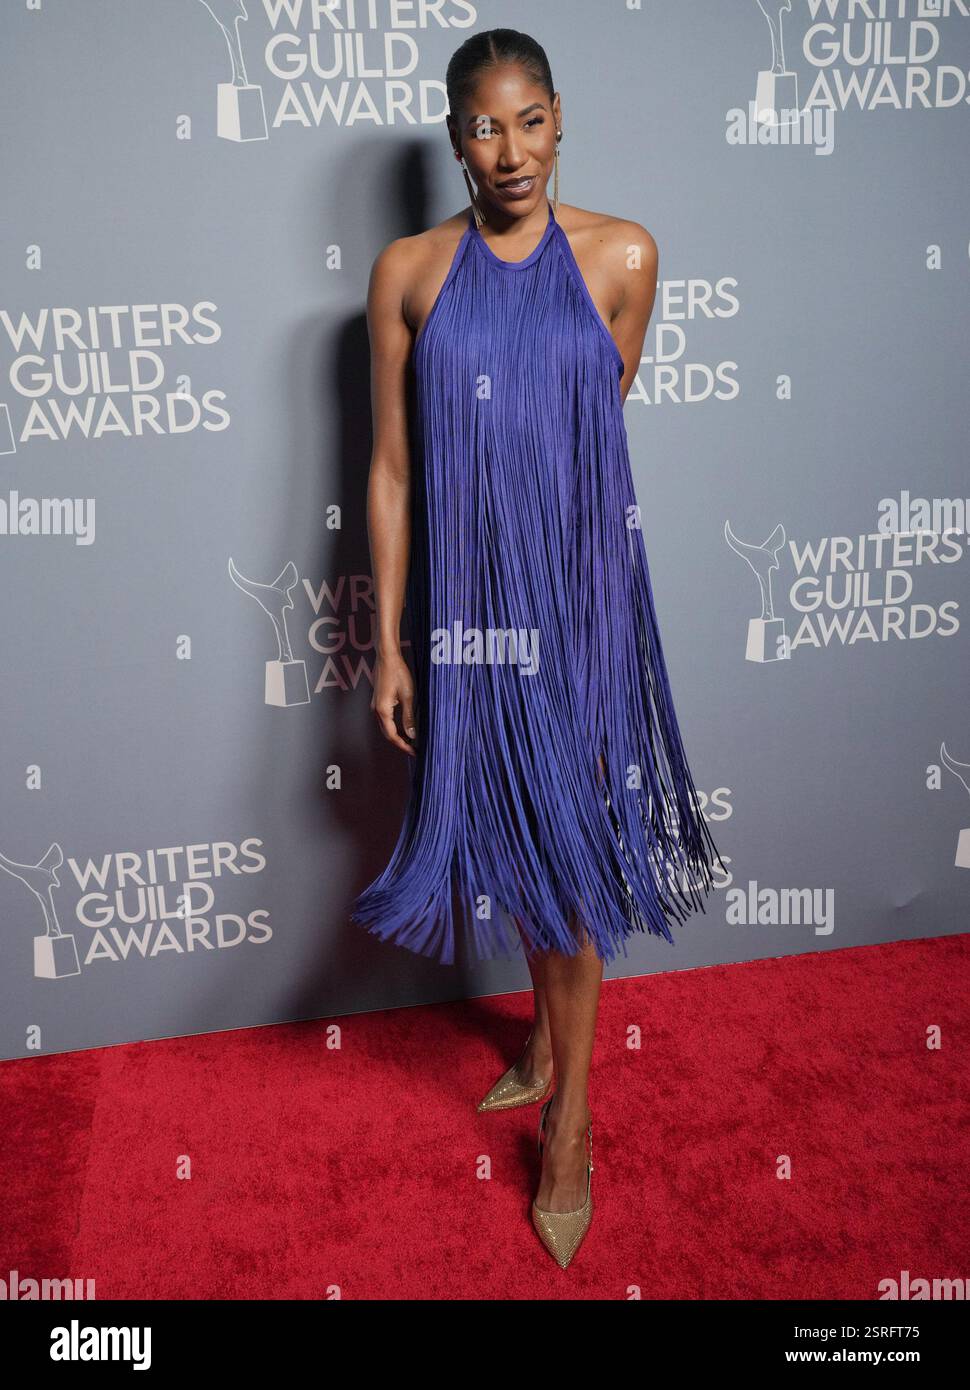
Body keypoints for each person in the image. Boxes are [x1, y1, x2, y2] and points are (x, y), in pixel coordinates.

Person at [351, 28, 722, 1269]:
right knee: (515, 829)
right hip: (467, 614)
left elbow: (584, 431)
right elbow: (394, 472)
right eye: (481, 126)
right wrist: (400, 643)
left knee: (570, 858)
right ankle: (546, 1045)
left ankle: (568, 1126)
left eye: (529, 122)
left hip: (580, 604)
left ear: (560, 119)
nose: (508, 151)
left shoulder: (623, 256)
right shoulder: (407, 271)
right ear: (455, 134)